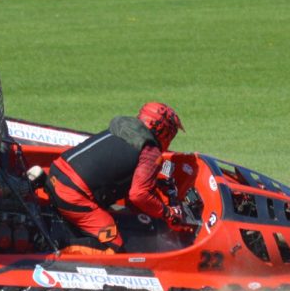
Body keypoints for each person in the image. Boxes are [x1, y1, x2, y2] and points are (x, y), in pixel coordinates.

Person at [46, 101, 186, 252]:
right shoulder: (150, 152)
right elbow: (139, 195)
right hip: (72, 194)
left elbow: (122, 171)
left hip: (55, 174)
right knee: (113, 246)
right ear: (163, 130)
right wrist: (169, 214)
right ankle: (57, 245)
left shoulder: (121, 126)